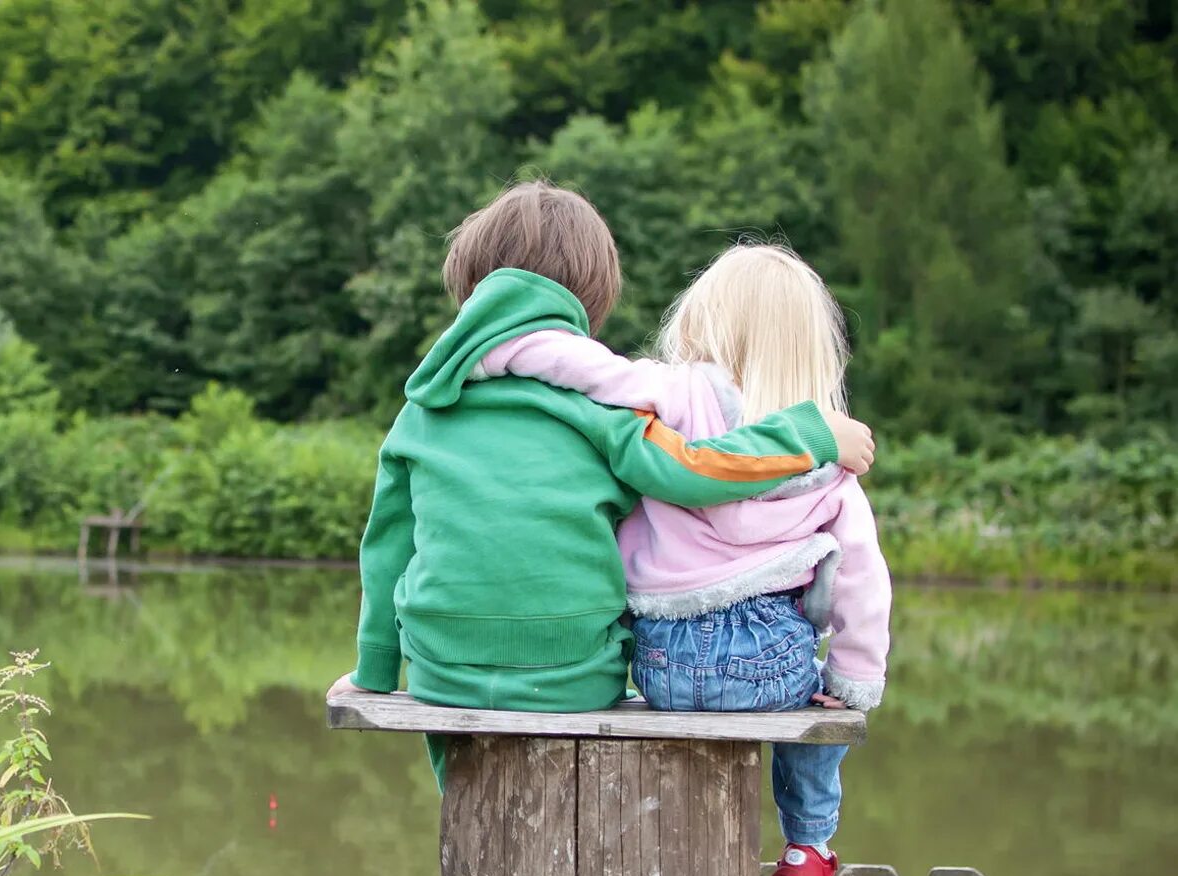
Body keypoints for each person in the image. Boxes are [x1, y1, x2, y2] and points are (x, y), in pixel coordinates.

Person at [326, 181, 875, 827]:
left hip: (442, 673)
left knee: (455, 690)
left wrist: (375, 671)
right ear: (594, 295)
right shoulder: (601, 404)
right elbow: (689, 473)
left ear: (468, 286)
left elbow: (387, 548)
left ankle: (468, 814)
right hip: (575, 676)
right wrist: (806, 434)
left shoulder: (423, 409)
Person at [465, 242, 892, 876]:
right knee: (823, 707)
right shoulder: (831, 453)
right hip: (768, 669)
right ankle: (809, 848)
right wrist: (853, 685)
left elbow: (582, 366)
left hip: (663, 664)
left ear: (705, 320)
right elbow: (863, 588)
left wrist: (493, 354)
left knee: (805, 693)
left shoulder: (676, 393)